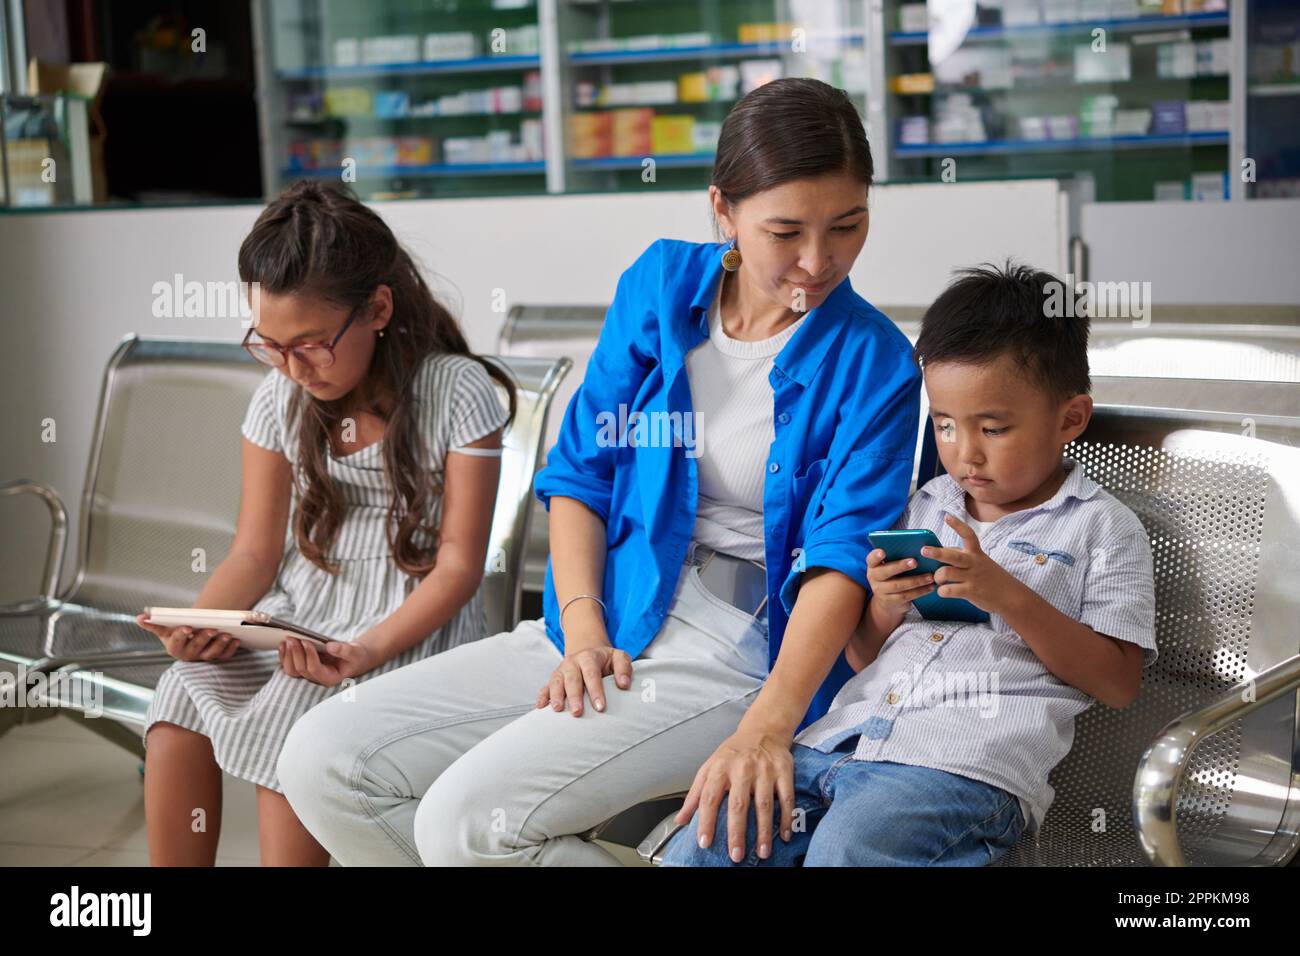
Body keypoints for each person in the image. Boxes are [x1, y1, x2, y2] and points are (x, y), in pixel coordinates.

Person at [277, 77, 923, 866]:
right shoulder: (661, 288)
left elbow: (840, 561)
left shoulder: (876, 363)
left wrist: (767, 729)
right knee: (324, 760)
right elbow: (581, 472)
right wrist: (582, 630)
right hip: (609, 611)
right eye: (785, 231)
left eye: (848, 226)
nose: (817, 262)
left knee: (466, 825)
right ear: (723, 210)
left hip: (739, 650)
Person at [663, 261, 1157, 866]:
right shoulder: (927, 503)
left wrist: (1007, 594)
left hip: (961, 770)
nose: (964, 452)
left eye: (993, 428)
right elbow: (861, 656)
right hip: (840, 744)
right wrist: (885, 605)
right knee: (711, 844)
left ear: (1070, 419)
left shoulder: (1102, 527)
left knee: (846, 852)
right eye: (945, 425)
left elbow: (1118, 681)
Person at [134, 180, 514, 866]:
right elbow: (252, 553)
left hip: (408, 623)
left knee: (293, 713)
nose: (290, 367)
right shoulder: (279, 395)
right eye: (270, 345)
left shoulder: (456, 390)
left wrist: (363, 651)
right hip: (301, 610)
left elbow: (459, 566)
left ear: (376, 308)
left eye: (309, 344)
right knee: (177, 699)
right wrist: (201, 624)